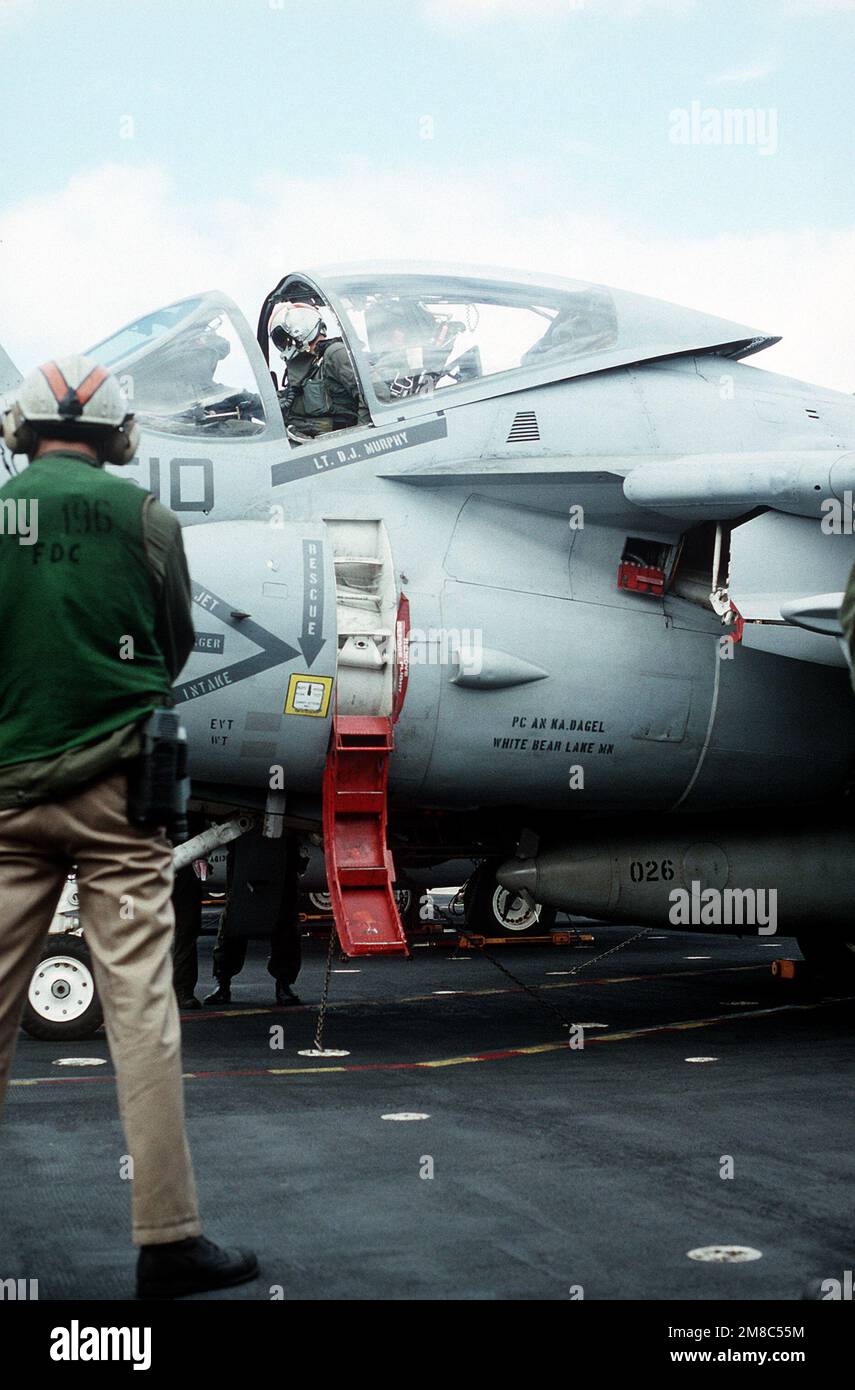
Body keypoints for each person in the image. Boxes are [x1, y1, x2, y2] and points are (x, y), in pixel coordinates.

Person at [0, 356, 258, 1300]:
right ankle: (167, 1242)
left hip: (4, 795)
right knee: (142, 1013)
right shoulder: (148, 519)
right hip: (121, 793)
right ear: (118, 439)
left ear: (19, 430)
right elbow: (173, 638)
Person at [205, 834, 303, 1006]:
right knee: (234, 919)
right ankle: (223, 982)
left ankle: (284, 983)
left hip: (283, 849)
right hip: (244, 848)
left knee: (286, 922)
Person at [270, 302, 369, 438]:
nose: (285, 345)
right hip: (312, 440)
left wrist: (360, 436)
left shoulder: (335, 354)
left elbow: (375, 393)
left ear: (299, 329)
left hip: (340, 442)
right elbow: (293, 400)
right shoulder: (307, 365)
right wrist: (257, 403)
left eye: (285, 339)